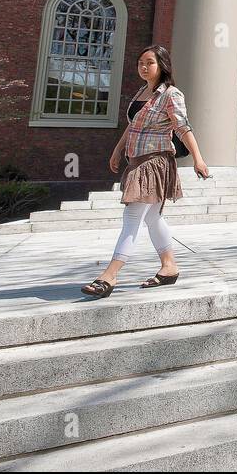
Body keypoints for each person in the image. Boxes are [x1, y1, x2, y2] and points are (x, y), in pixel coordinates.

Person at [81, 45, 210, 298]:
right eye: (140, 62)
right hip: (136, 161)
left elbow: (183, 128)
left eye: (149, 62)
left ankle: (110, 275)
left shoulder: (172, 94)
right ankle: (169, 266)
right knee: (152, 218)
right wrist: (117, 150)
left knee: (132, 217)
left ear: (162, 66)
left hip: (155, 163)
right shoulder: (141, 92)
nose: (144, 66)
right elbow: (133, 127)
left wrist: (199, 159)